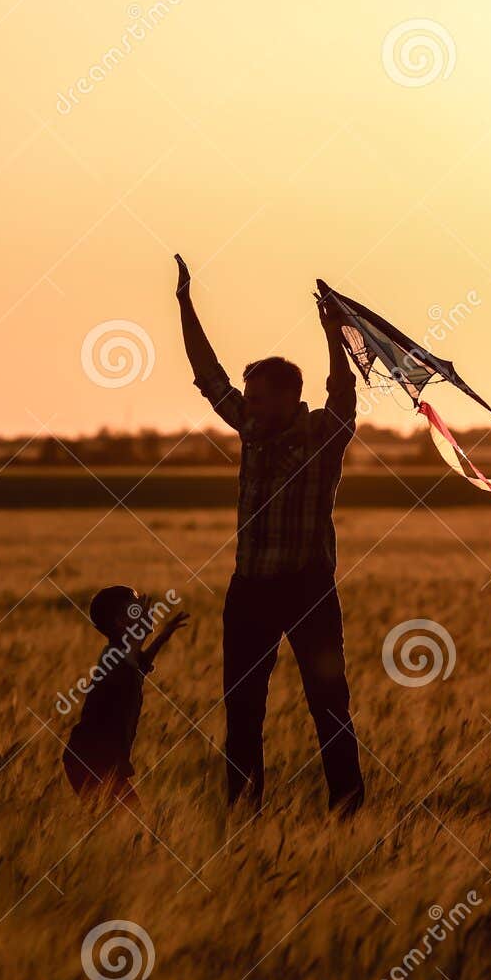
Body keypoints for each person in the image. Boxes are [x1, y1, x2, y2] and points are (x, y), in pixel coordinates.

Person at [174, 253, 366, 814]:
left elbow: (343, 391)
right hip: (249, 591)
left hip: (308, 592)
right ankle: (242, 812)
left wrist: (334, 333)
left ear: (288, 397)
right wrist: (185, 303)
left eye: (257, 398)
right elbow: (207, 376)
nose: (247, 408)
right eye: (247, 399)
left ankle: (348, 810)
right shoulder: (253, 430)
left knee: (328, 705)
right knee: (242, 710)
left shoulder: (323, 434)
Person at [61, 586, 189, 805]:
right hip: (90, 760)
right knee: (127, 823)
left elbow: (138, 666)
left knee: (120, 824)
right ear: (121, 622)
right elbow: (131, 663)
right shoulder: (113, 657)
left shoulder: (121, 653)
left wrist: (160, 638)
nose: (142, 608)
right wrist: (147, 630)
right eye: (135, 606)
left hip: (99, 760)